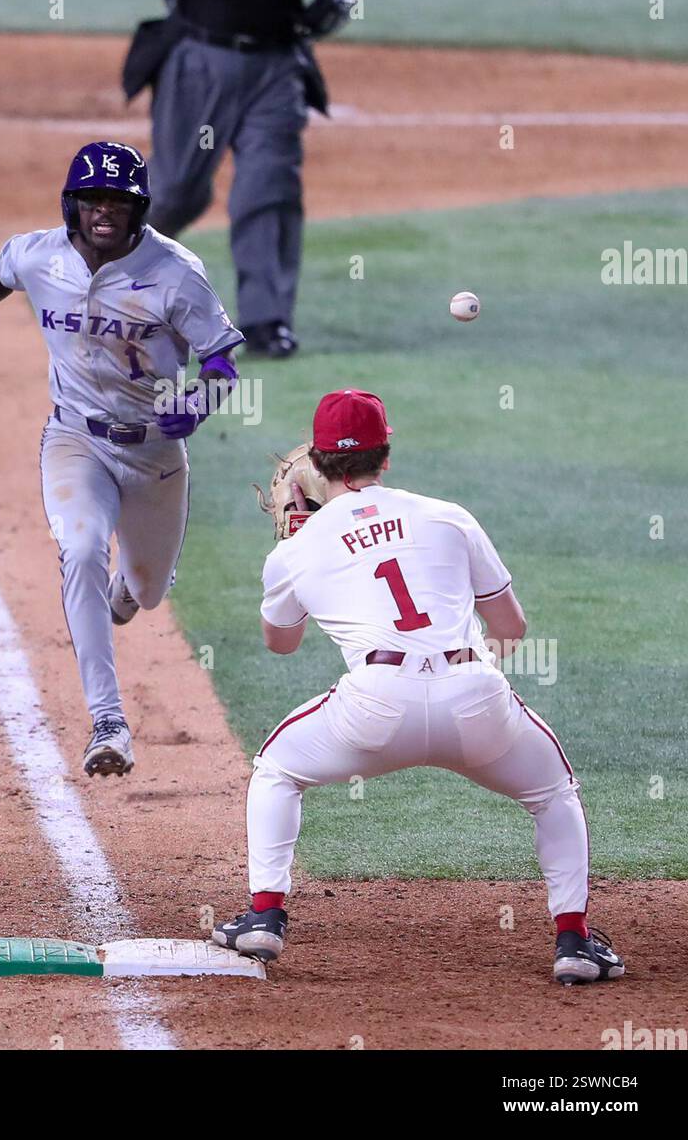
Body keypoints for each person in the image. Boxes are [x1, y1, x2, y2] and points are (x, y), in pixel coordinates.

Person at [213, 388, 626, 986]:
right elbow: (511, 628)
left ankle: (264, 918)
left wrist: (296, 547)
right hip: (476, 701)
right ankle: (573, 944)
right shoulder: (449, 515)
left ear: (319, 462)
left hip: (375, 709)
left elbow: (281, 644)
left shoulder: (298, 549)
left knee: (278, 768)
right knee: (554, 792)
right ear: (386, 454)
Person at [0, 141, 243, 777]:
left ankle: (130, 589)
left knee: (149, 593)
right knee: (79, 550)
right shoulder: (41, 253)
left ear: (138, 209)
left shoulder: (176, 273)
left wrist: (201, 403)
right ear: (74, 204)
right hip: (75, 439)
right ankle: (109, 721)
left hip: (155, 451)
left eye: (120, 201)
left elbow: (221, 360)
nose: (107, 211)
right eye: (95, 199)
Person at [116, 0, 353, 359]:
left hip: (277, 62)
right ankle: (103, 282)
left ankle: (267, 321)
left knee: (268, 189)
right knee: (175, 190)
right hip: (201, 60)